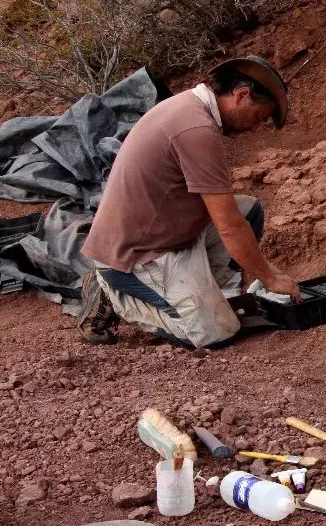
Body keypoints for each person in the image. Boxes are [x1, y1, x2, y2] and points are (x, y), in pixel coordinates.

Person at [77, 56, 301, 348]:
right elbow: (229, 227)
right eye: (259, 117)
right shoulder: (196, 129)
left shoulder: (191, 108)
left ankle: (202, 297)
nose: (256, 128)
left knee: (250, 211)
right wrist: (270, 278)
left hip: (166, 233)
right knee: (215, 332)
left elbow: (232, 216)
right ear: (242, 94)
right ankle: (112, 294)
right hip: (135, 256)